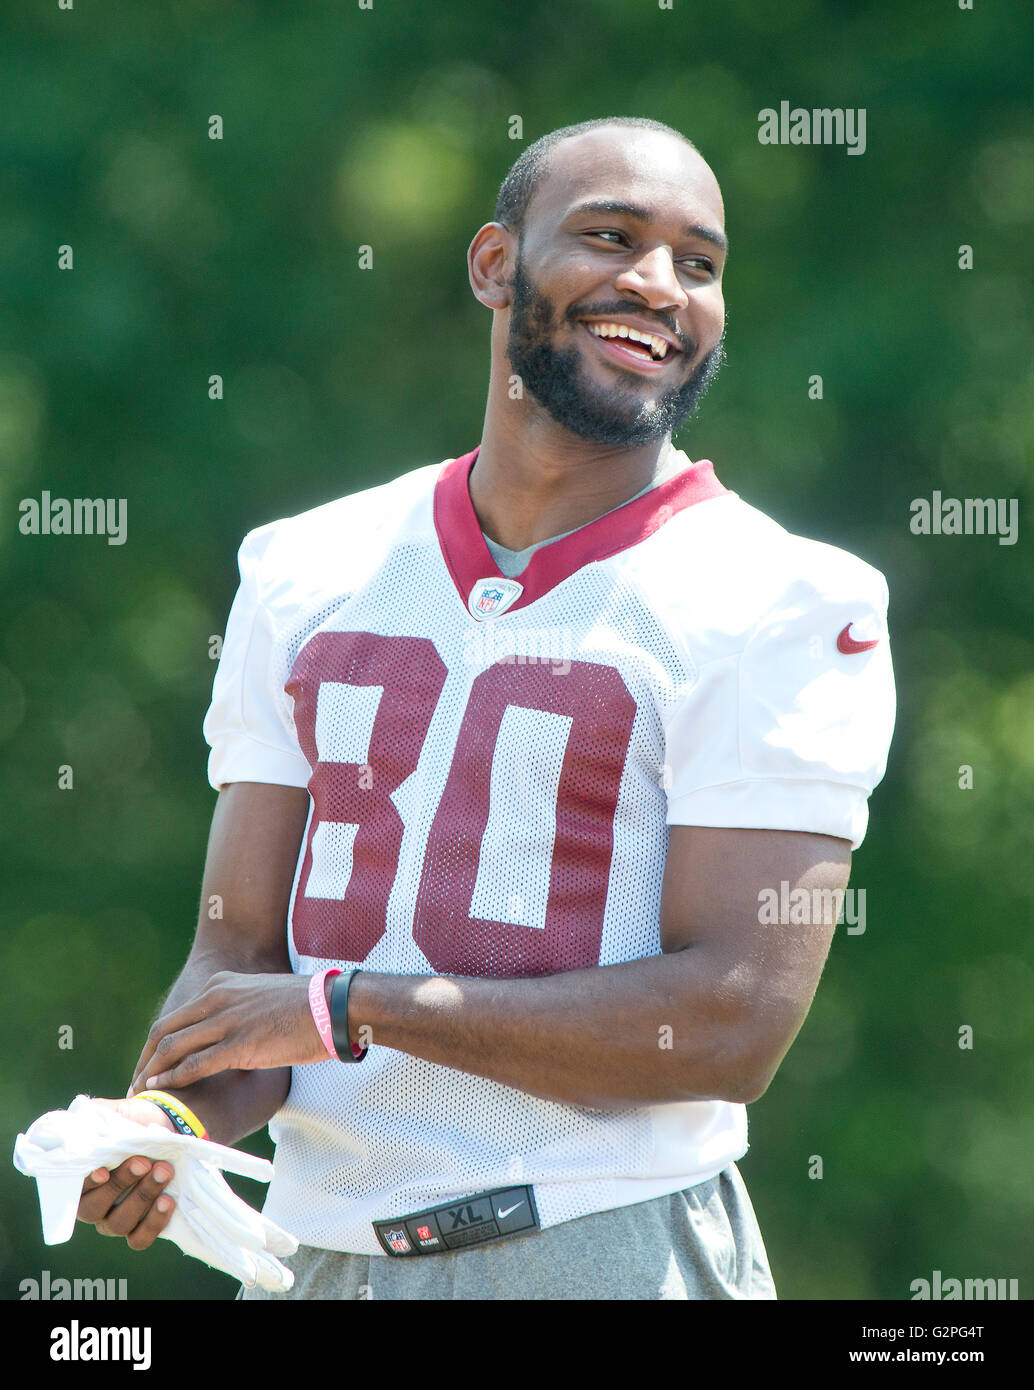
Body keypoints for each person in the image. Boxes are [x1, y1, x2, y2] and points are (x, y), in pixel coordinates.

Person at [76, 116, 895, 1300]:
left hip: (597, 1246)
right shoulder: (306, 567)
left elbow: (727, 1022)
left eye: (698, 262)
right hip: (315, 1265)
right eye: (609, 236)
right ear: (493, 265)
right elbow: (241, 975)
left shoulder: (783, 599)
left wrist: (351, 1007)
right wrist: (170, 1125)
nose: (657, 286)